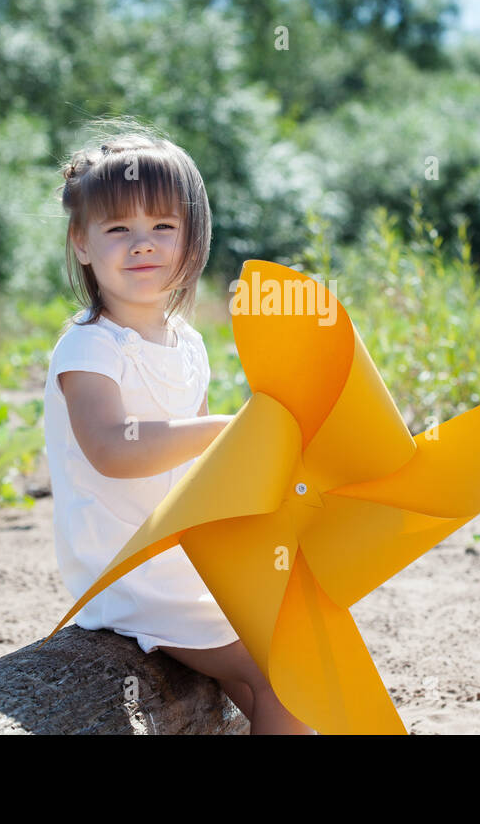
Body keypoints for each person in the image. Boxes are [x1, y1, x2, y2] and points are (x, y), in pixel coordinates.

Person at [43, 125, 316, 735]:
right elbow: (113, 449)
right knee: (283, 669)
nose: (143, 245)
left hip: (186, 549)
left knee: (297, 637)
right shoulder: (88, 348)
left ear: (192, 235)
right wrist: (229, 429)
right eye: (118, 230)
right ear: (81, 243)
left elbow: (190, 470)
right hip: (128, 563)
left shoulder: (187, 343)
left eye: (163, 227)